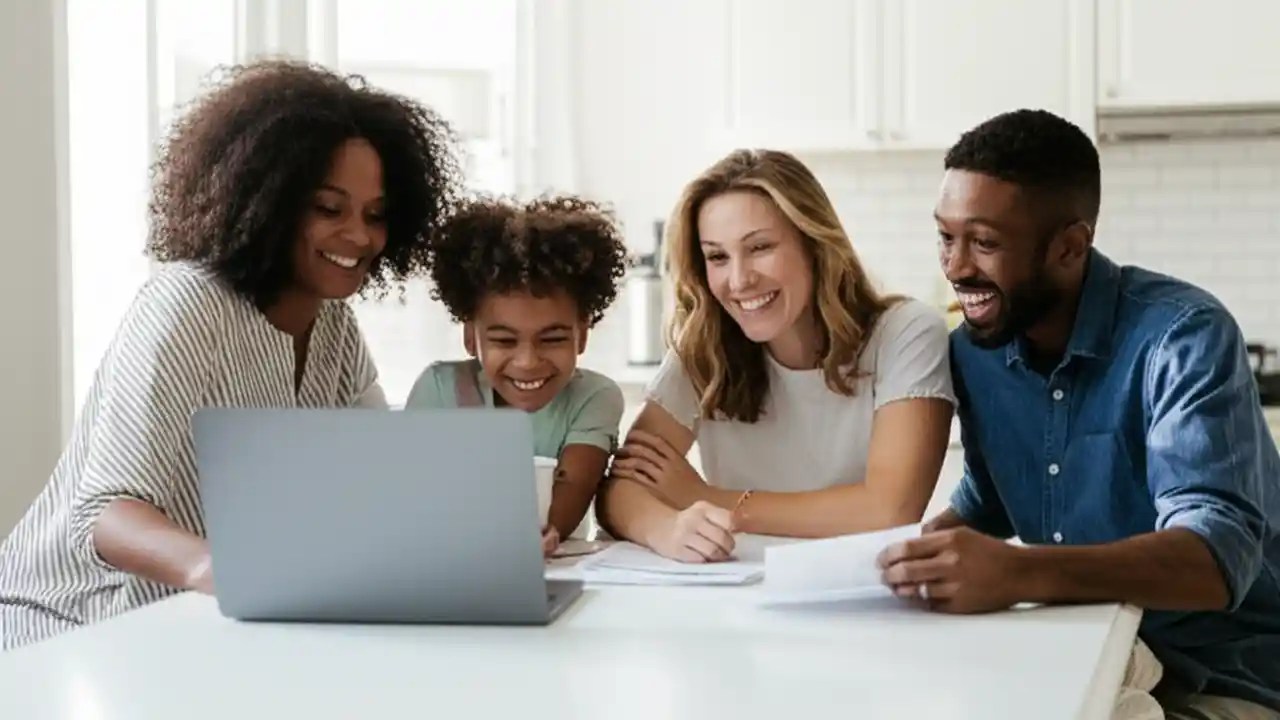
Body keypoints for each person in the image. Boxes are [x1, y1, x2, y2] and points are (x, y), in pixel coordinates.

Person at [0, 60, 463, 650]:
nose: (359, 236)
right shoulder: (187, 303)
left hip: (206, 629)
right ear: (268, 200)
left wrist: (477, 537)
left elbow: (381, 480)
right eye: (328, 208)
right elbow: (105, 516)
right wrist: (218, 570)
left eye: (376, 216)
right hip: (70, 628)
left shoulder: (335, 327)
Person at [877, 109, 1280, 718]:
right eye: (946, 236)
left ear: (1070, 247)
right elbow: (991, 499)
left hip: (1224, 673)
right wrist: (898, 562)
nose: (957, 267)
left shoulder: (1181, 339)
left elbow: (1214, 558)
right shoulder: (974, 353)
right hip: (1087, 652)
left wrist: (1018, 573)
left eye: (984, 242)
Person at [598, 149, 956, 563]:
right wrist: (665, 529)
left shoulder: (905, 334)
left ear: (814, 244)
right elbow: (619, 489)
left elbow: (889, 509)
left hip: (861, 595)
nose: (739, 280)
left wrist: (709, 499)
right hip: (737, 592)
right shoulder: (705, 350)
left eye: (760, 247)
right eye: (717, 256)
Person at [404, 194, 628, 557]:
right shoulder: (440, 390)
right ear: (470, 335)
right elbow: (410, 496)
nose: (527, 361)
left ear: (582, 333)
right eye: (505, 340)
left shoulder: (595, 397)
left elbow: (567, 498)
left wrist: (522, 537)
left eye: (553, 339)